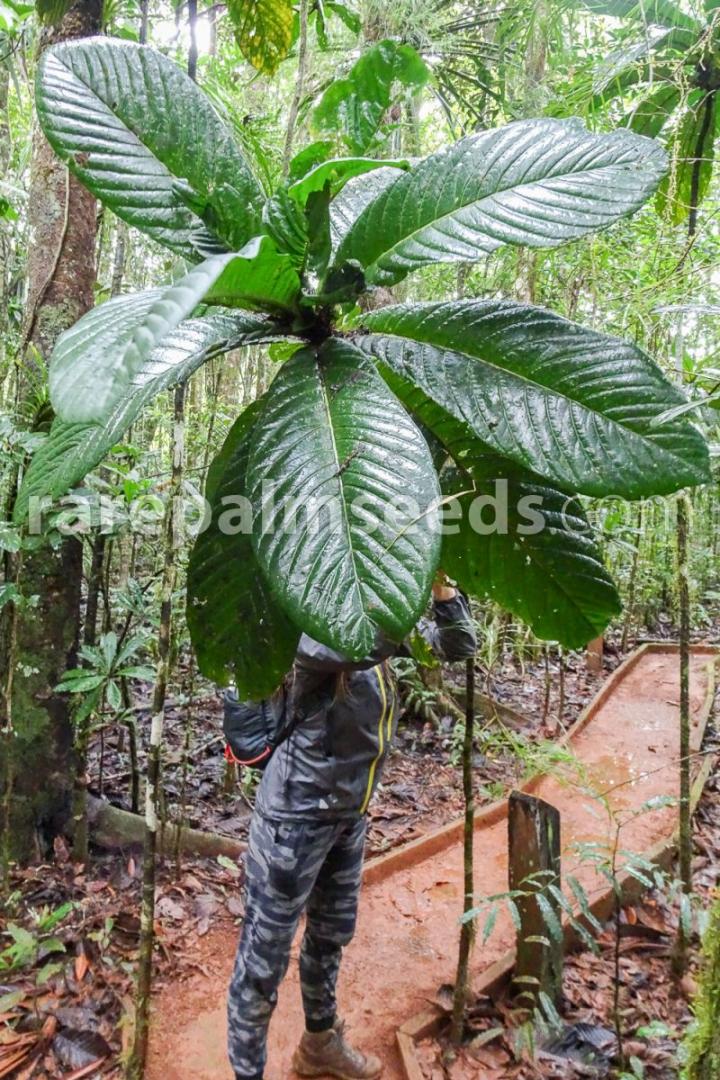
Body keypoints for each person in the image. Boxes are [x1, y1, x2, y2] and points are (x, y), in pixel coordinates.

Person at [227, 575, 477, 1080]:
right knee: (263, 959)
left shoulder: (370, 616)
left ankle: (319, 1045)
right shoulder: (302, 625)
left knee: (330, 935)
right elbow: (363, 644)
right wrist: (402, 577)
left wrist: (442, 590)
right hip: (294, 819)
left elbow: (458, 645)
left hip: (349, 812)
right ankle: (246, 1072)